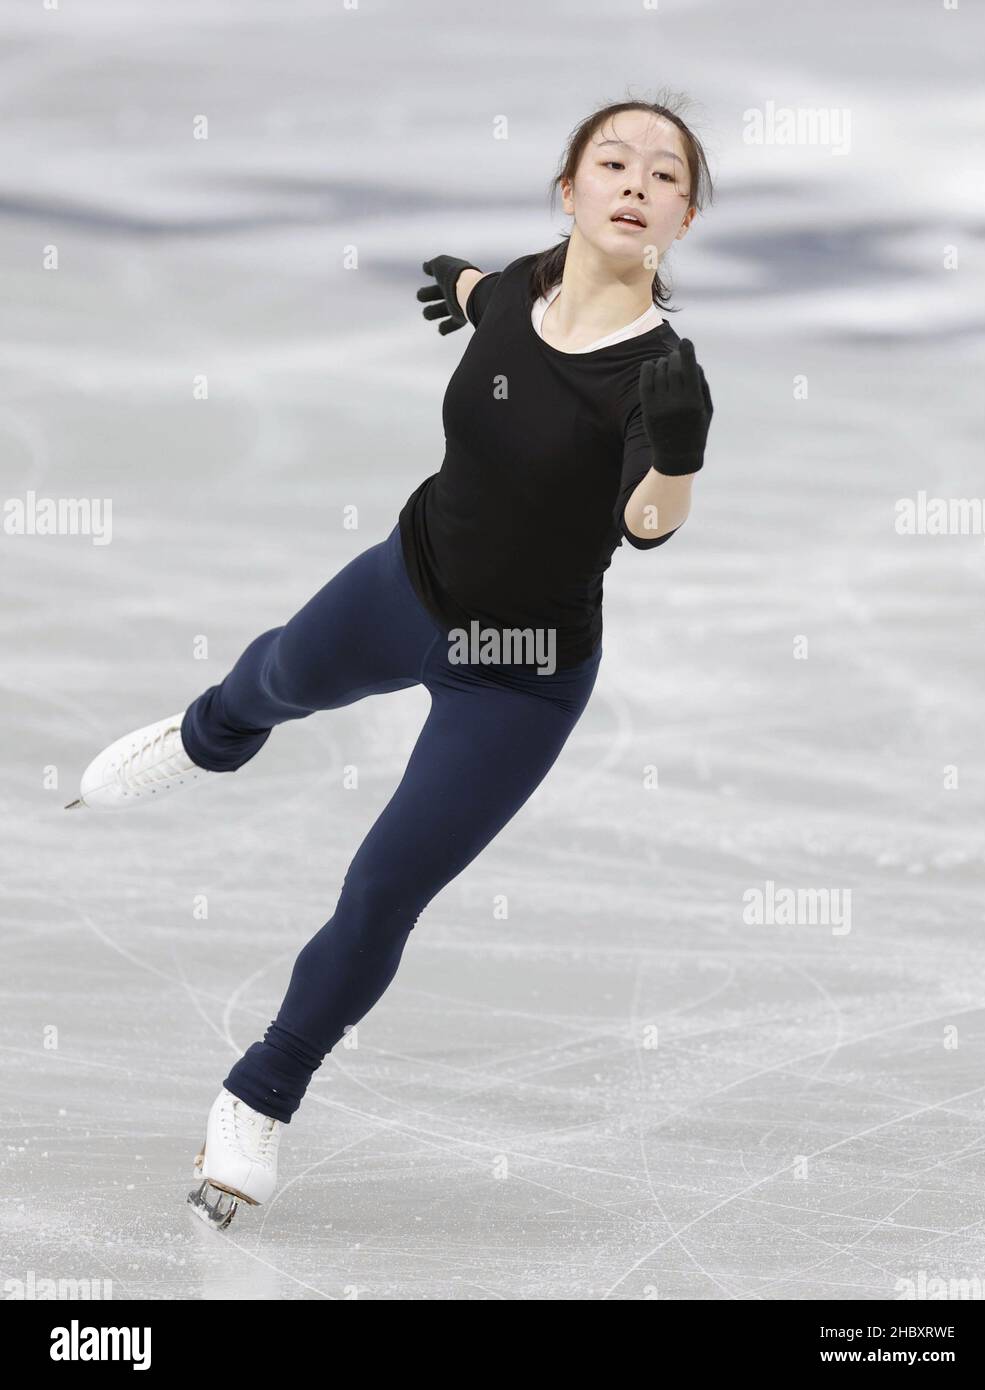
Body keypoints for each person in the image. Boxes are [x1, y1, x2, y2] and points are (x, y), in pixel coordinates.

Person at [65, 97, 715, 1229]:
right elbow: (493, 306)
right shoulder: (523, 284)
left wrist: (683, 459)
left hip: (518, 670)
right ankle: (203, 741)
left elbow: (648, 523)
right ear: (569, 190)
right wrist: (461, 284)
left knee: (381, 893)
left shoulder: (659, 379)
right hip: (406, 584)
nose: (635, 181)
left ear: (683, 219)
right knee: (263, 683)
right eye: (613, 160)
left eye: (664, 176)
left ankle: (260, 1095)